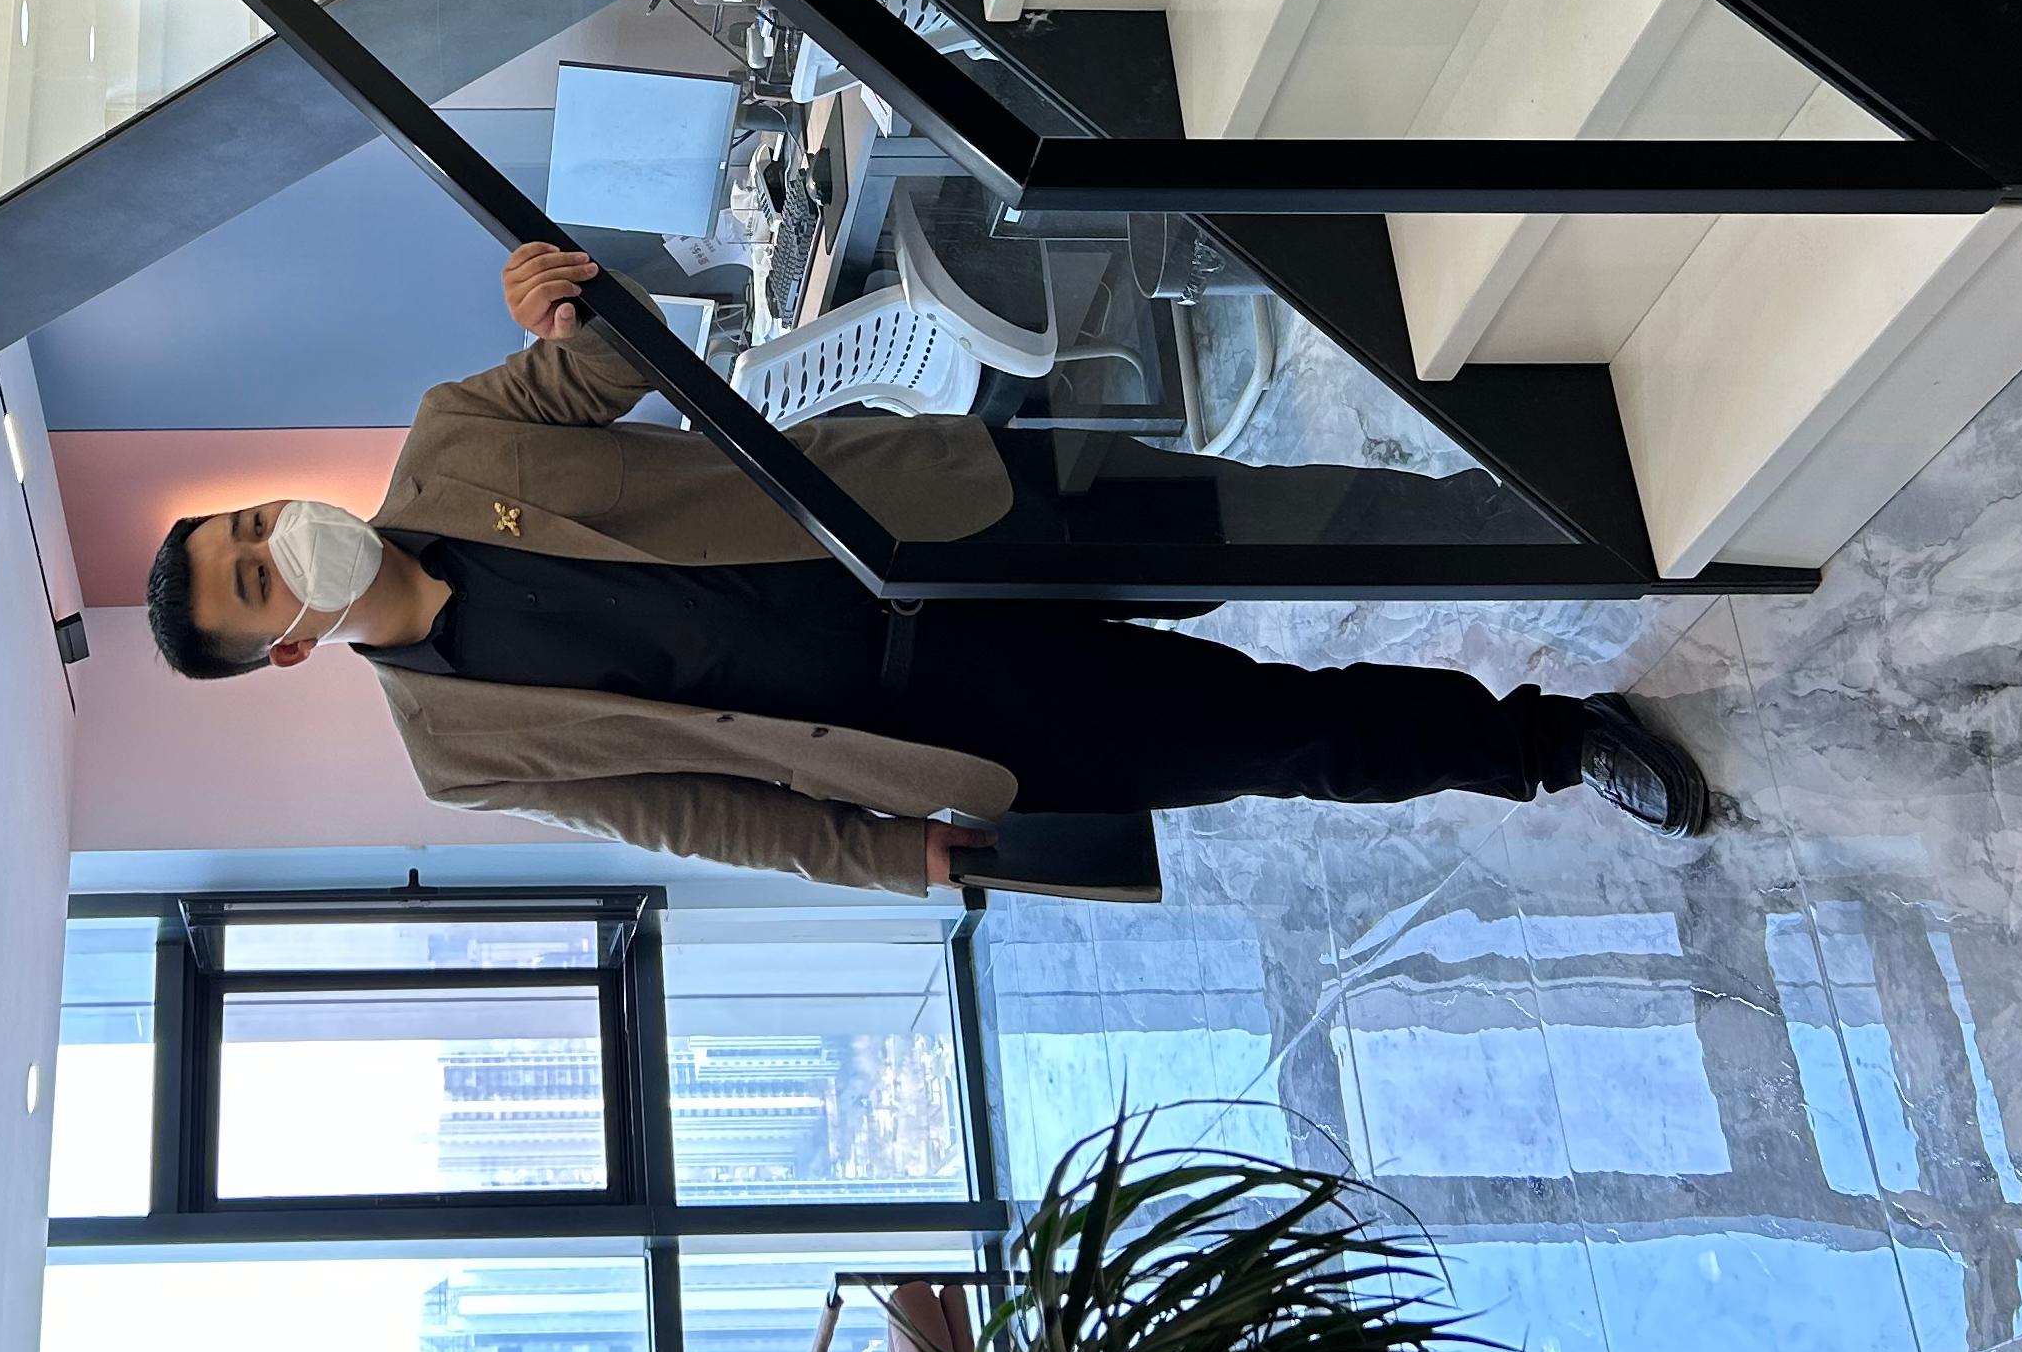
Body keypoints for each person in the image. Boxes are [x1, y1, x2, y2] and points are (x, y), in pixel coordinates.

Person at [141, 243, 1715, 896]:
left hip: (952, 513)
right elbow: (687, 810)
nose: (282, 544)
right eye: (260, 582)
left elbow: (613, 365)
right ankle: (1553, 744)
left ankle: (1563, 523)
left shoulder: (453, 438)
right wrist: (885, 858)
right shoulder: (458, 752)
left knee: (1277, 521)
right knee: (1283, 739)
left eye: (254, 524)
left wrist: (571, 297)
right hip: (956, 718)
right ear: (289, 650)